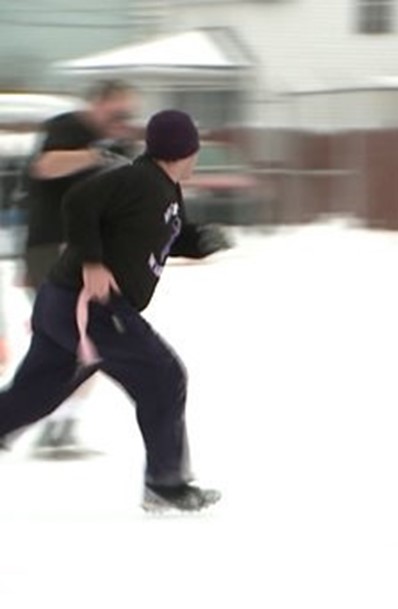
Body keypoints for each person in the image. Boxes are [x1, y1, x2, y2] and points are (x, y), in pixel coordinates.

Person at [0, 109, 231, 512]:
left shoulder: (165, 188)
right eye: (194, 148)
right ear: (183, 150)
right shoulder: (138, 180)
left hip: (67, 305)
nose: (196, 156)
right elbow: (78, 202)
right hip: (89, 306)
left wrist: (199, 239)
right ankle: (166, 483)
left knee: (35, 393)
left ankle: (165, 482)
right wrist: (92, 262)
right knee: (163, 375)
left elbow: (157, 235)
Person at [19, 79, 139, 456]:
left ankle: (58, 426)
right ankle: (52, 426)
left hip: (87, 258)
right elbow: (46, 166)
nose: (122, 122)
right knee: (83, 339)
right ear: (98, 104)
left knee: (77, 343)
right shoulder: (67, 127)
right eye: (118, 113)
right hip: (51, 251)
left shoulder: (118, 145)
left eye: (128, 116)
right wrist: (96, 156)